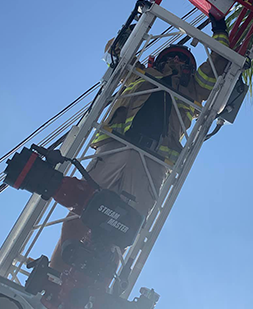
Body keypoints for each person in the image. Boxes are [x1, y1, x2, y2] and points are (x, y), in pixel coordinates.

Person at [49, 16, 230, 270]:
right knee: (81, 211)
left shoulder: (194, 91)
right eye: (172, 56)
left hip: (153, 161)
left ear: (191, 69)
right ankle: (53, 277)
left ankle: (93, 292)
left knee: (123, 231)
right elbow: (115, 52)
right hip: (115, 146)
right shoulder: (139, 73)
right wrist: (133, 31)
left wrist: (219, 29)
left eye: (184, 60)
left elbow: (217, 64)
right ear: (159, 59)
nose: (177, 61)